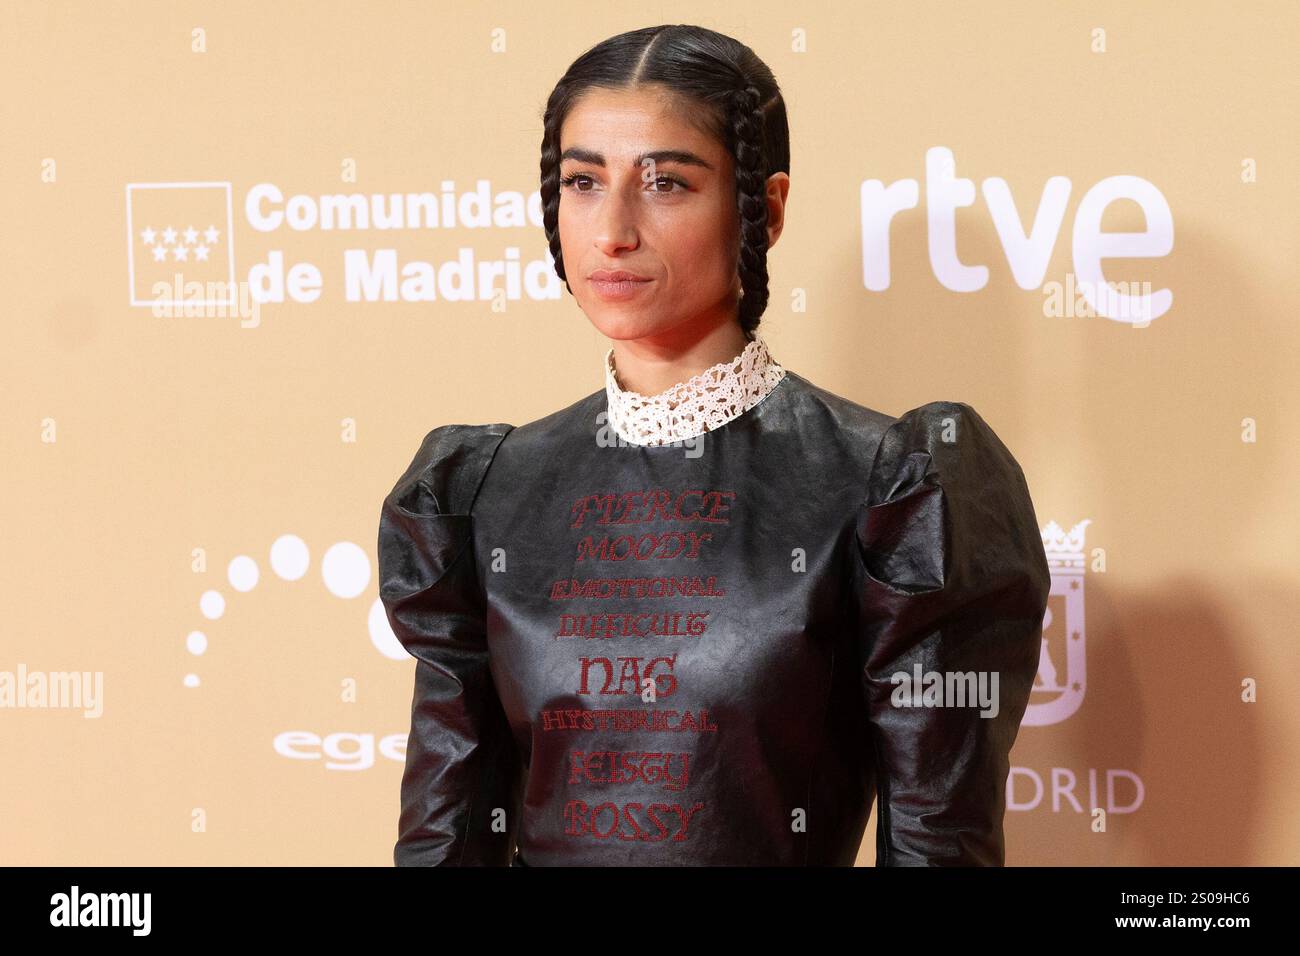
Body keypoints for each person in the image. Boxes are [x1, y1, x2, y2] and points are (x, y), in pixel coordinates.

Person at [377, 24, 1050, 866]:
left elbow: (940, 844)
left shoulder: (893, 488)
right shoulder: (480, 493)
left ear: (762, 209)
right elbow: (448, 839)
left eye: (665, 182)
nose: (612, 230)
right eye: (583, 181)